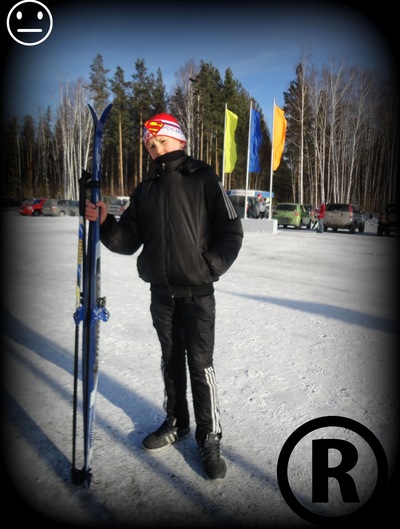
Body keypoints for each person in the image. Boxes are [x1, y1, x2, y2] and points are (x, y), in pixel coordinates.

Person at [85, 113, 243, 480]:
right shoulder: (145, 189)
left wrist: (211, 265)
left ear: (180, 140)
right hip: (161, 293)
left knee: (200, 365)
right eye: (151, 145)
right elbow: (127, 240)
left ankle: (209, 437)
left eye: (162, 141)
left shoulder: (203, 178)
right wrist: (106, 223)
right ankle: (177, 421)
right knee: (170, 361)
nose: (157, 148)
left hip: (197, 293)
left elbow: (231, 229)